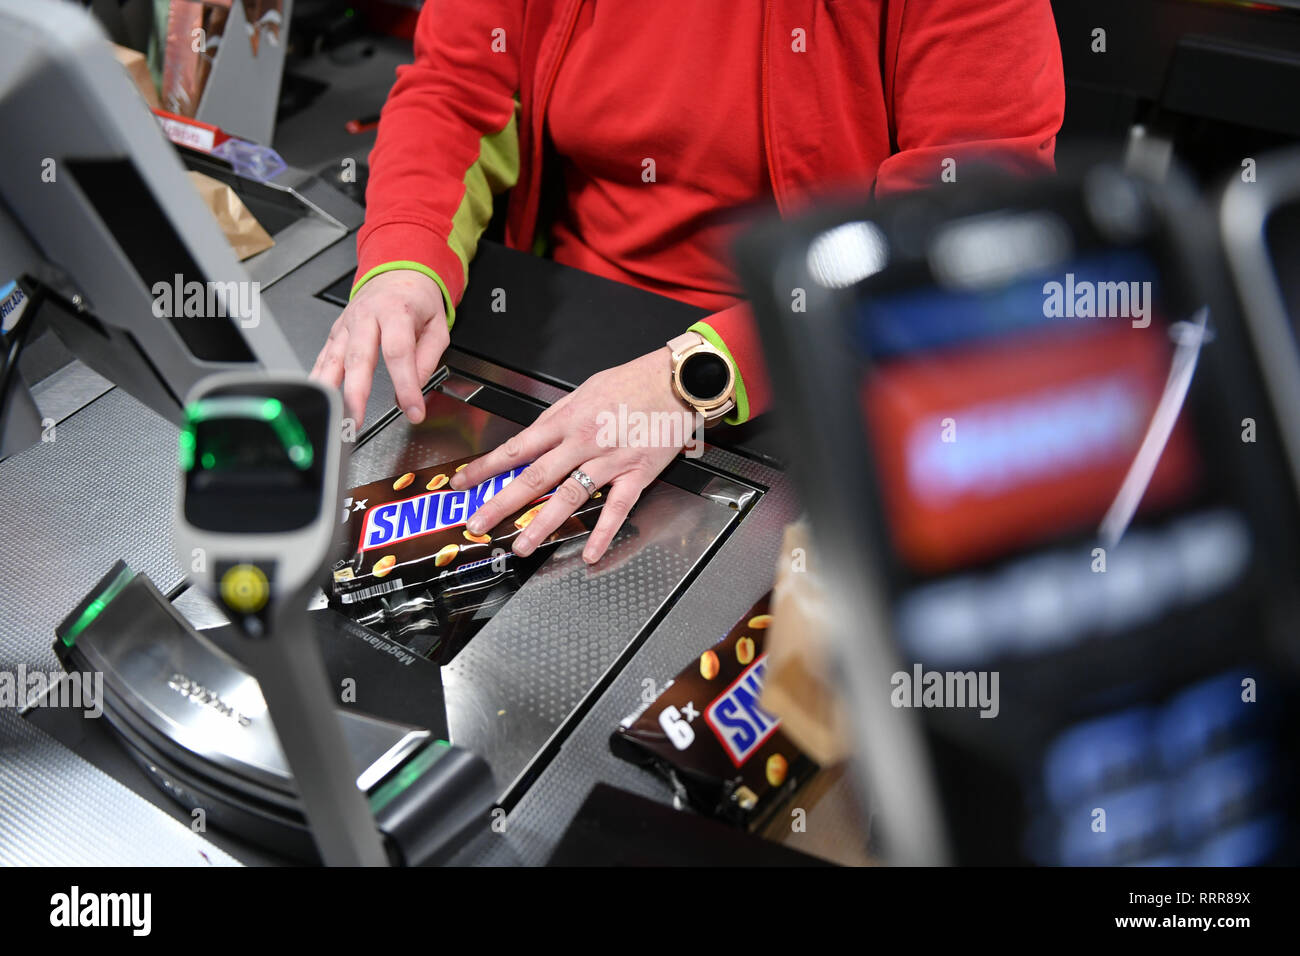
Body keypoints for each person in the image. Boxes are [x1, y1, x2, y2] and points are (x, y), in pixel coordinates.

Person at [311, 0, 1065, 564]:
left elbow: (959, 225)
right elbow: (456, 88)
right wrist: (407, 257)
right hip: (568, 334)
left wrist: (690, 382)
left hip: (817, 360)